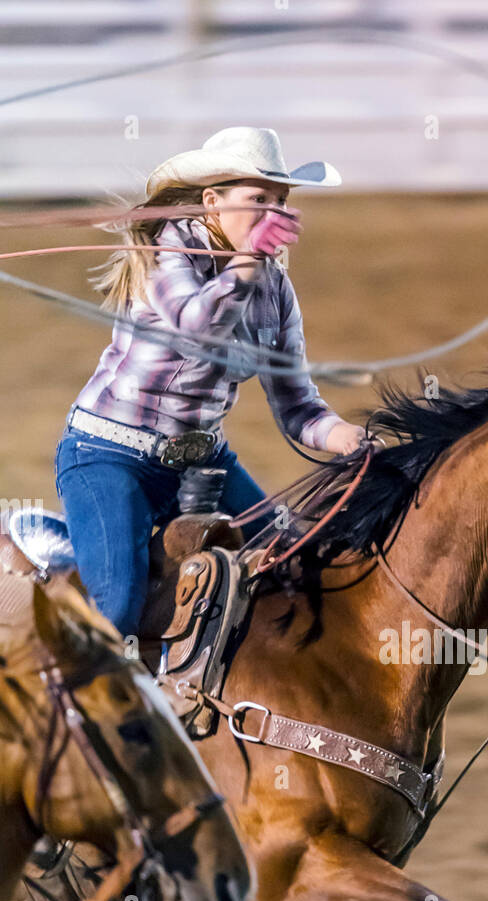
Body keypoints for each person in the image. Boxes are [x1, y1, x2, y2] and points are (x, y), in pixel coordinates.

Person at [55, 126, 367, 638]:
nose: (274, 211)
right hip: (109, 455)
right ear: (211, 202)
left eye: (281, 200)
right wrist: (245, 264)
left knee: (292, 566)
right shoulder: (166, 251)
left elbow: (298, 407)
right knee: (116, 609)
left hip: (203, 463)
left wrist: (347, 438)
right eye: (258, 198)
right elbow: (196, 325)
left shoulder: (275, 289)